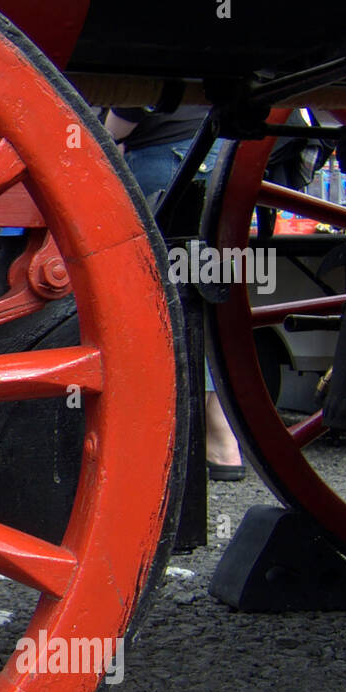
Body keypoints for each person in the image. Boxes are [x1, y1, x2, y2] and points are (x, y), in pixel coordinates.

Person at [104, 106, 246, 480]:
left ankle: (214, 435)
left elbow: (132, 106)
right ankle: (219, 436)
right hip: (209, 149)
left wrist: (106, 134)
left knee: (170, 303)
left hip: (167, 156)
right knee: (195, 294)